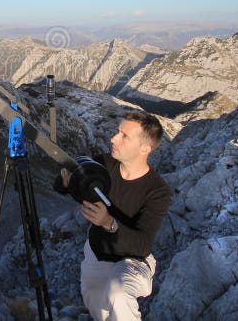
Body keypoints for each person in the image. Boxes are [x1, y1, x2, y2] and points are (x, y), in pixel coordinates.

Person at [55, 111, 171, 320]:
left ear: (145, 148)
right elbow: (71, 185)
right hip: (96, 255)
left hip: (132, 261)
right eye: (118, 132)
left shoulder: (157, 191)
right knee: (100, 313)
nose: (113, 139)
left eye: (124, 136)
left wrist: (109, 223)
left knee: (119, 294)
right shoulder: (105, 165)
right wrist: (65, 183)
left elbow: (142, 243)